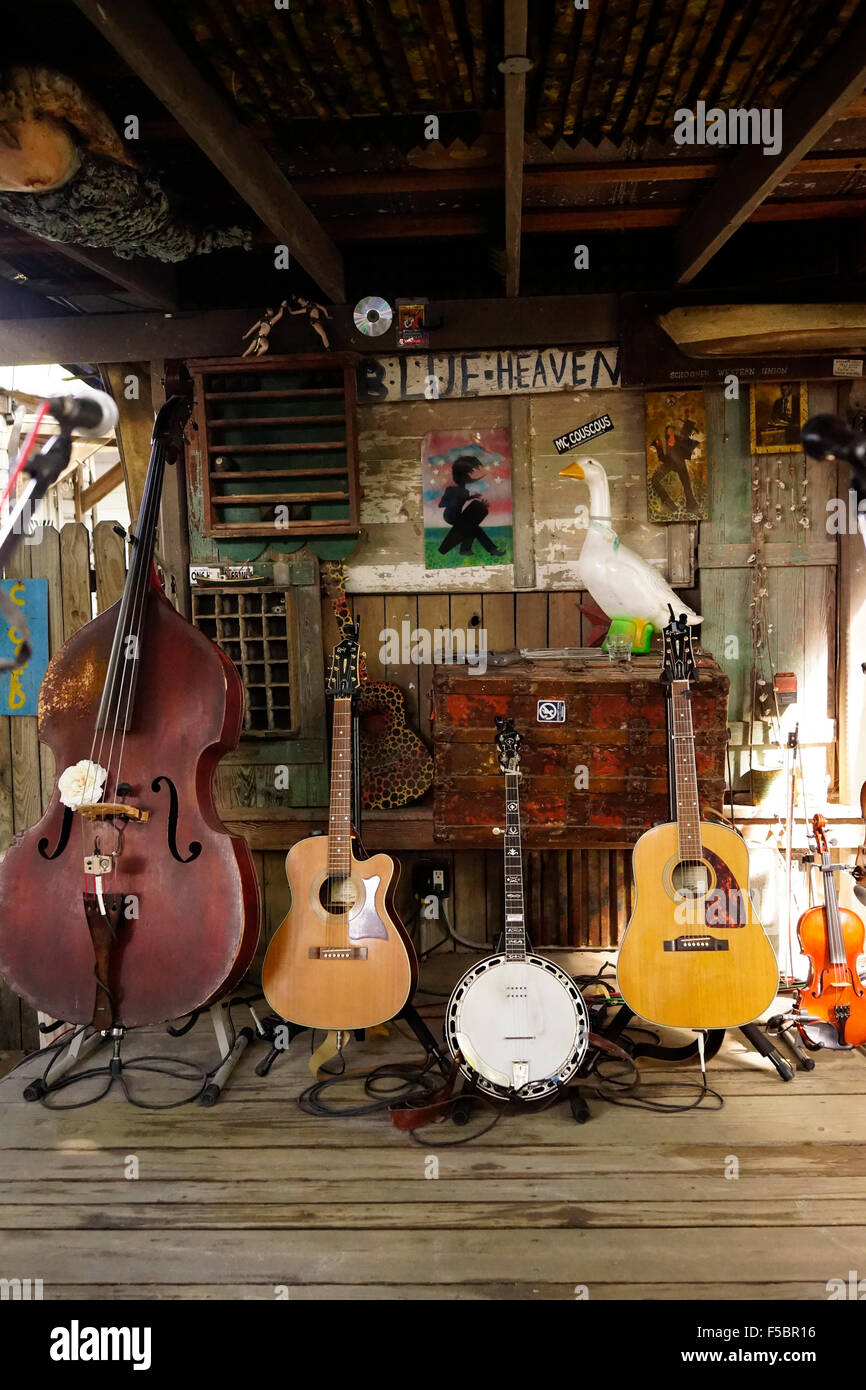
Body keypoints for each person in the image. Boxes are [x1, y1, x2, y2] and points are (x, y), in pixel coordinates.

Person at [437, 456, 505, 557]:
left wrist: (472, 497)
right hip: (450, 516)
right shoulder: (451, 490)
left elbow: (464, 498)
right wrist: (453, 501)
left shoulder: (465, 492)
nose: (465, 482)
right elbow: (441, 504)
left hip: (459, 516)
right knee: (473, 522)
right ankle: (491, 550)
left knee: (473, 524)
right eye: (464, 478)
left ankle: (465, 549)